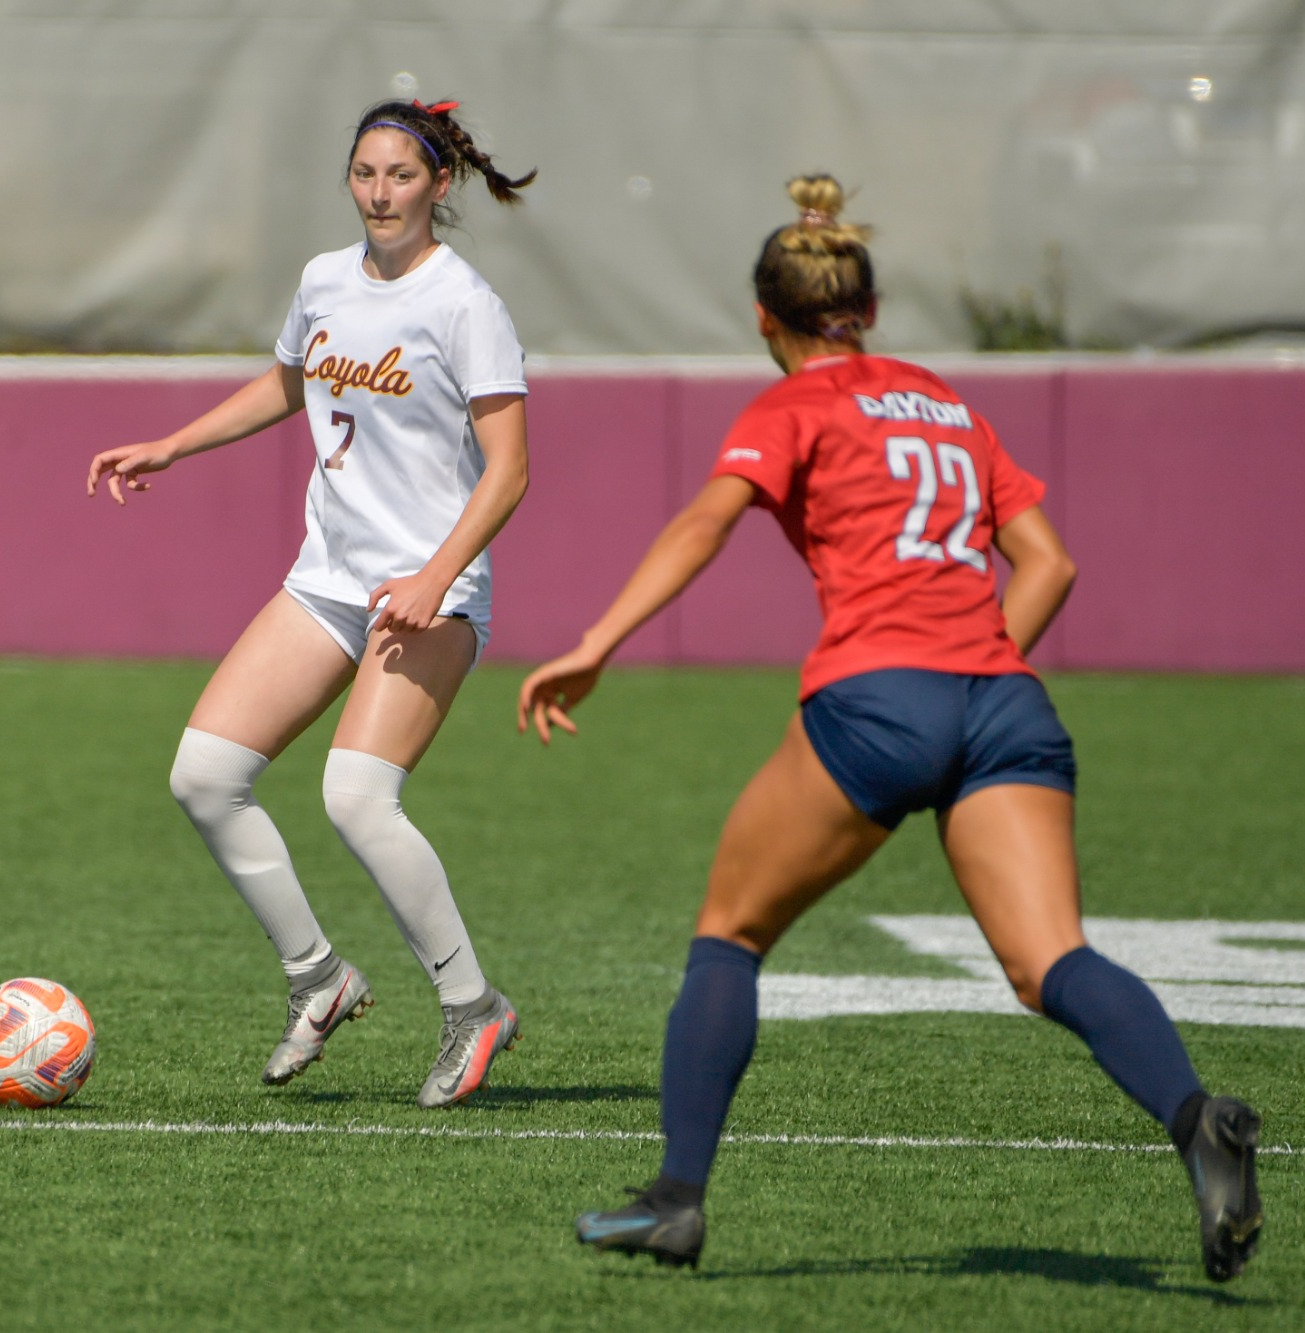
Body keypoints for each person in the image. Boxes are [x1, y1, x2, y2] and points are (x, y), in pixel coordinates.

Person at [520, 176, 1262, 1279]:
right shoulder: (943, 403)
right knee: (1048, 959)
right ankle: (1193, 1116)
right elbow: (1049, 562)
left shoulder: (785, 405)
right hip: (1003, 699)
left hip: (877, 697)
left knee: (729, 932)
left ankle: (674, 1198)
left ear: (763, 318)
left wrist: (596, 640)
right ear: (867, 311)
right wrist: (969, 659)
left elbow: (702, 521)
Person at [86, 100, 531, 1109]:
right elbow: (286, 384)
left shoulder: (464, 302)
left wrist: (430, 580)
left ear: (439, 187)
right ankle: (318, 977)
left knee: (354, 798)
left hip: (432, 593)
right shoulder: (324, 280)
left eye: (401, 176)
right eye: (365, 173)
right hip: (327, 578)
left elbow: (507, 472)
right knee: (203, 776)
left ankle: (472, 1005)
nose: (380, 193)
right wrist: (170, 443)